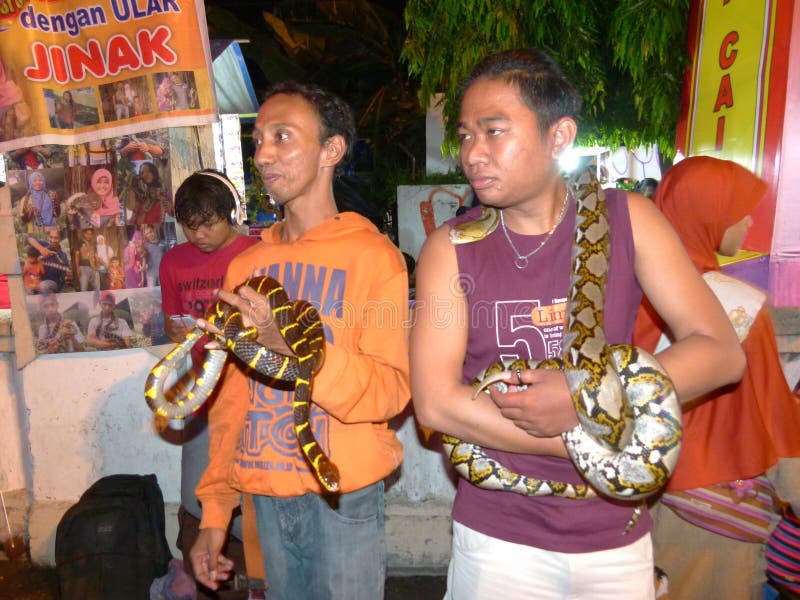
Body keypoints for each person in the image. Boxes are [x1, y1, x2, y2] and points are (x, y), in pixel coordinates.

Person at [410, 48, 746, 599]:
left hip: (617, 535)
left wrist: (588, 397)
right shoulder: (450, 248)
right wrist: (593, 432)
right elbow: (437, 403)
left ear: (559, 135)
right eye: (466, 135)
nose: (474, 153)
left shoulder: (629, 219)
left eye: (495, 131)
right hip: (500, 541)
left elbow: (719, 351)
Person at [189, 81, 411, 599]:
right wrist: (217, 510)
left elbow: (391, 390)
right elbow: (230, 403)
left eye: (282, 137)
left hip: (344, 493)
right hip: (264, 494)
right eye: (259, 140)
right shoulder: (245, 266)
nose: (263, 154)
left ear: (331, 150)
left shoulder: (374, 257)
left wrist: (294, 349)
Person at [632, 156, 800, 600]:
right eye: (737, 210)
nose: (747, 222)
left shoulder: (630, 295)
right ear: (706, 213)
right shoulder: (737, 307)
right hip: (719, 510)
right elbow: (777, 419)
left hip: (633, 497)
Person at [159, 169, 261, 595]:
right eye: (190, 225)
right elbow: (170, 320)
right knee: (194, 497)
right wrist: (180, 331)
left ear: (231, 215)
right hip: (205, 395)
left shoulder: (258, 253)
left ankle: (256, 578)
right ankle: (213, 574)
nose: (199, 234)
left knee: (256, 497)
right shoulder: (173, 262)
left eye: (209, 223)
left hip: (257, 394)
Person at [25, 227, 70, 292]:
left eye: (56, 238)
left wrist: (67, 276)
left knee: (43, 285)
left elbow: (64, 277)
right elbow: (27, 237)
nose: (53, 240)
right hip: (36, 281)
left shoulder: (63, 256)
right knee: (29, 290)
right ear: (48, 237)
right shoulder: (44, 244)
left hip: (51, 283)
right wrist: (41, 249)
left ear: (60, 239)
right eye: (51, 237)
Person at [74, 227, 100, 292]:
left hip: (93, 267)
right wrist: (77, 268)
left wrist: (97, 266)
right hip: (83, 267)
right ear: (84, 234)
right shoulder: (79, 242)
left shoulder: (93, 244)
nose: (89, 235)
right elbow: (77, 255)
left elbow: (96, 256)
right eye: (87, 233)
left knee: (97, 287)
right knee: (84, 288)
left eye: (90, 234)